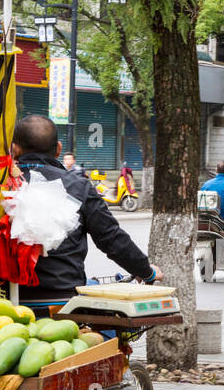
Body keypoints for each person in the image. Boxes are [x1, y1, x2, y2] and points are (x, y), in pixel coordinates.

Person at [11, 115, 161, 304]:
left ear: (14, 149)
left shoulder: (0, 187)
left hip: (9, 302)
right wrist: (146, 271)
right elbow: (111, 238)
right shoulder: (78, 187)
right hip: (64, 300)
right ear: (58, 149)